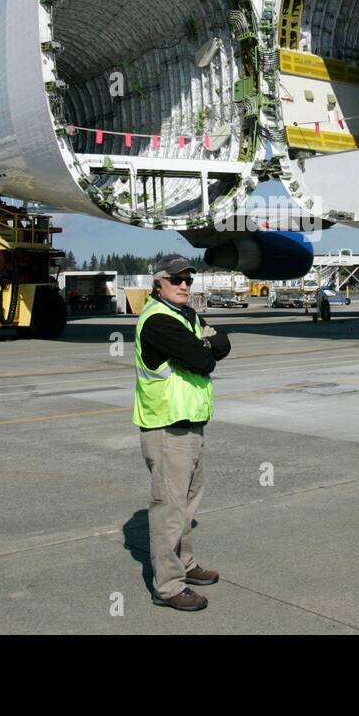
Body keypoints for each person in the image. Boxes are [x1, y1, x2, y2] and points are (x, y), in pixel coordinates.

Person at [134, 255, 231, 611]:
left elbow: (224, 344)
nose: (184, 285)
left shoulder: (186, 315)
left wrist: (206, 345)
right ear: (158, 282)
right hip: (166, 428)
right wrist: (206, 346)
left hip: (191, 425)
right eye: (176, 280)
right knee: (168, 508)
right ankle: (169, 586)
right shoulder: (158, 320)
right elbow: (206, 358)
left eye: (188, 279)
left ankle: (185, 565)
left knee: (187, 504)